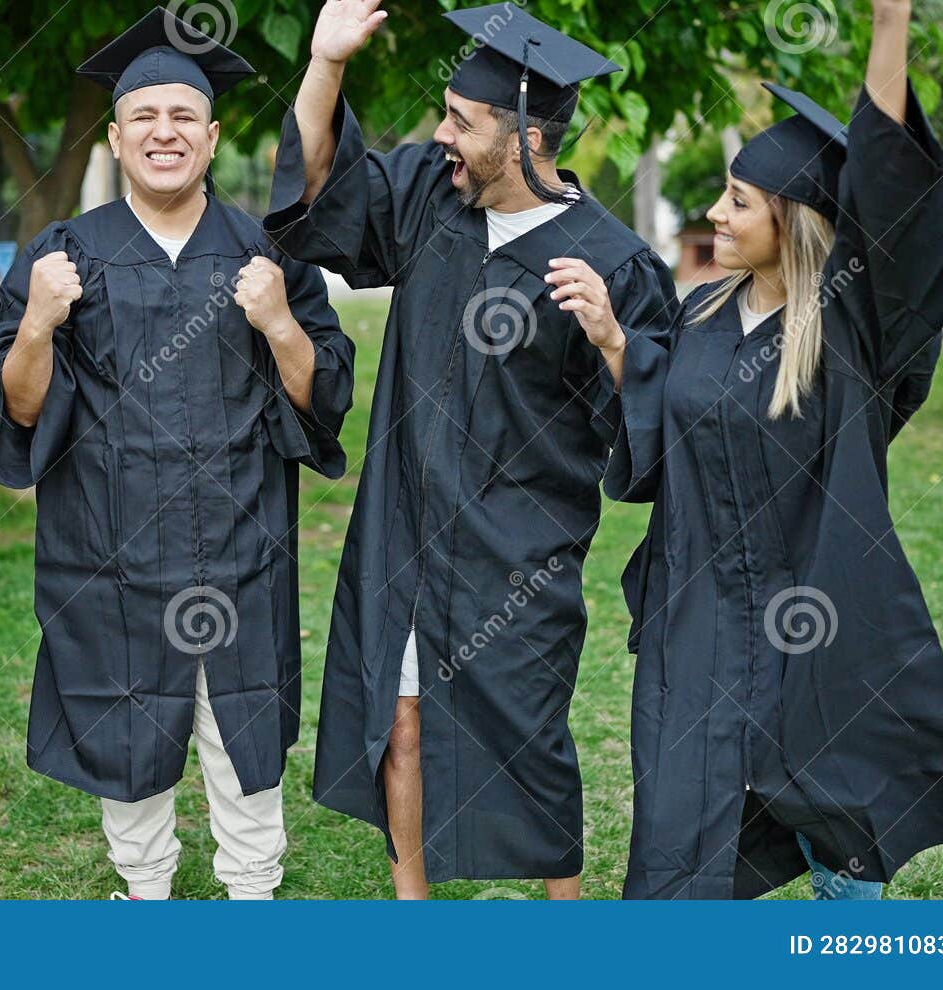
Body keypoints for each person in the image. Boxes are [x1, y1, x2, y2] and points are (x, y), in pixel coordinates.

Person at [265, 1, 681, 898]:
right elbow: (316, 195)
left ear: (527, 137)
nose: (443, 132)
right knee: (401, 720)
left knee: (529, 740)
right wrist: (325, 65)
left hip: (519, 551)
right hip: (407, 530)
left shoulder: (616, 262)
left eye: (463, 120)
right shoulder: (427, 197)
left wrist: (614, 341)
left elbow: (657, 427)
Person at [602, 0, 943, 898]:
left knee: (835, 813)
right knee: (676, 827)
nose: (714, 215)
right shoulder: (704, 312)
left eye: (738, 201)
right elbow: (668, 430)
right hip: (698, 617)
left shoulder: (850, 332)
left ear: (793, 220)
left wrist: (890, 25)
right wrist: (615, 347)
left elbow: (892, 195)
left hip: (815, 618)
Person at [0, 8, 354, 901]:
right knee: (125, 715)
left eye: (184, 116)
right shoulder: (64, 254)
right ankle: (144, 893)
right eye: (144, 117)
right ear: (114, 136)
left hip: (239, 541)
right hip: (110, 550)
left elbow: (323, 396)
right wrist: (35, 320)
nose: (164, 132)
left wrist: (279, 320)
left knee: (242, 722)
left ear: (214, 136)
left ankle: (251, 891)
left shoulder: (269, 253)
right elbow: (16, 408)